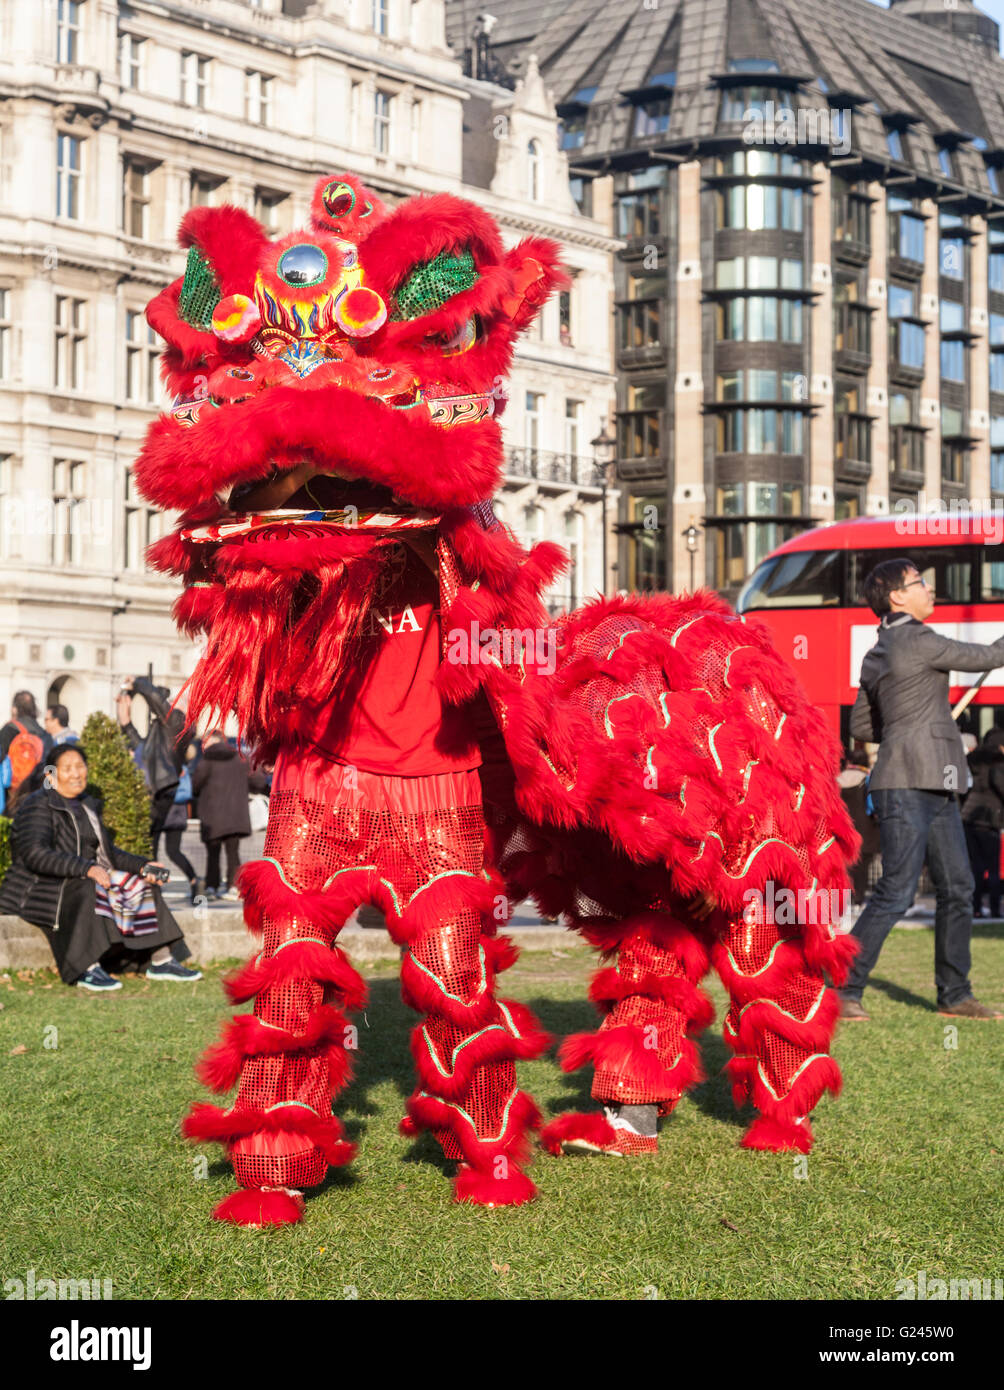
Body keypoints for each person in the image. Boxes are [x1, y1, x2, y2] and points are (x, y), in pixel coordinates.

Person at [841, 558, 1004, 1021]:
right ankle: (844, 989)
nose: (930, 589)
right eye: (920, 583)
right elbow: (988, 657)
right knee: (897, 891)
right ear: (897, 597)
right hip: (913, 781)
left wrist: (905, 726)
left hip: (929, 779)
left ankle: (955, 994)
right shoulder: (917, 637)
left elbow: (860, 724)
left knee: (958, 886)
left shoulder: (877, 650)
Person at [0, 743, 202, 990]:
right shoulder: (38, 804)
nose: (76, 774)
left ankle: (161, 961)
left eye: (80, 766)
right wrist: (86, 868)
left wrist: (143, 866)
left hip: (75, 877)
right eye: (68, 768)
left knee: (141, 883)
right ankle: (86, 968)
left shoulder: (86, 805)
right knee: (88, 885)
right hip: (37, 888)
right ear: (50, 775)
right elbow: (35, 854)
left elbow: (107, 853)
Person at [191, 732, 264, 900]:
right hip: (235, 815)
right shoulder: (241, 758)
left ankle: (211, 887)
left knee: (213, 854)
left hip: (212, 815)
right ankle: (233, 887)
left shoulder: (206, 761)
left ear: (210, 742)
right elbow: (258, 782)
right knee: (233, 852)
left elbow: (195, 786)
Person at [961, 726, 1004, 919]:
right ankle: (995, 909)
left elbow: (959, 784)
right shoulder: (998, 761)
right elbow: (999, 783)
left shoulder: (971, 759)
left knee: (975, 867)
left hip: (968, 816)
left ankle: (975, 907)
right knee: (993, 868)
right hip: (989, 817)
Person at [837, 747, 881, 909]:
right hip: (865, 829)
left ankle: (844, 896)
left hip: (842, 828)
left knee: (844, 865)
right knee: (862, 865)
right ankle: (858, 897)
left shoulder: (838, 779)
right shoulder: (867, 780)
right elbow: (873, 805)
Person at [0, 691, 52, 792]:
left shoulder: (10, 729)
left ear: (15, 709)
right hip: (39, 790)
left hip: (14, 791)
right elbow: (51, 765)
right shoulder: (45, 734)